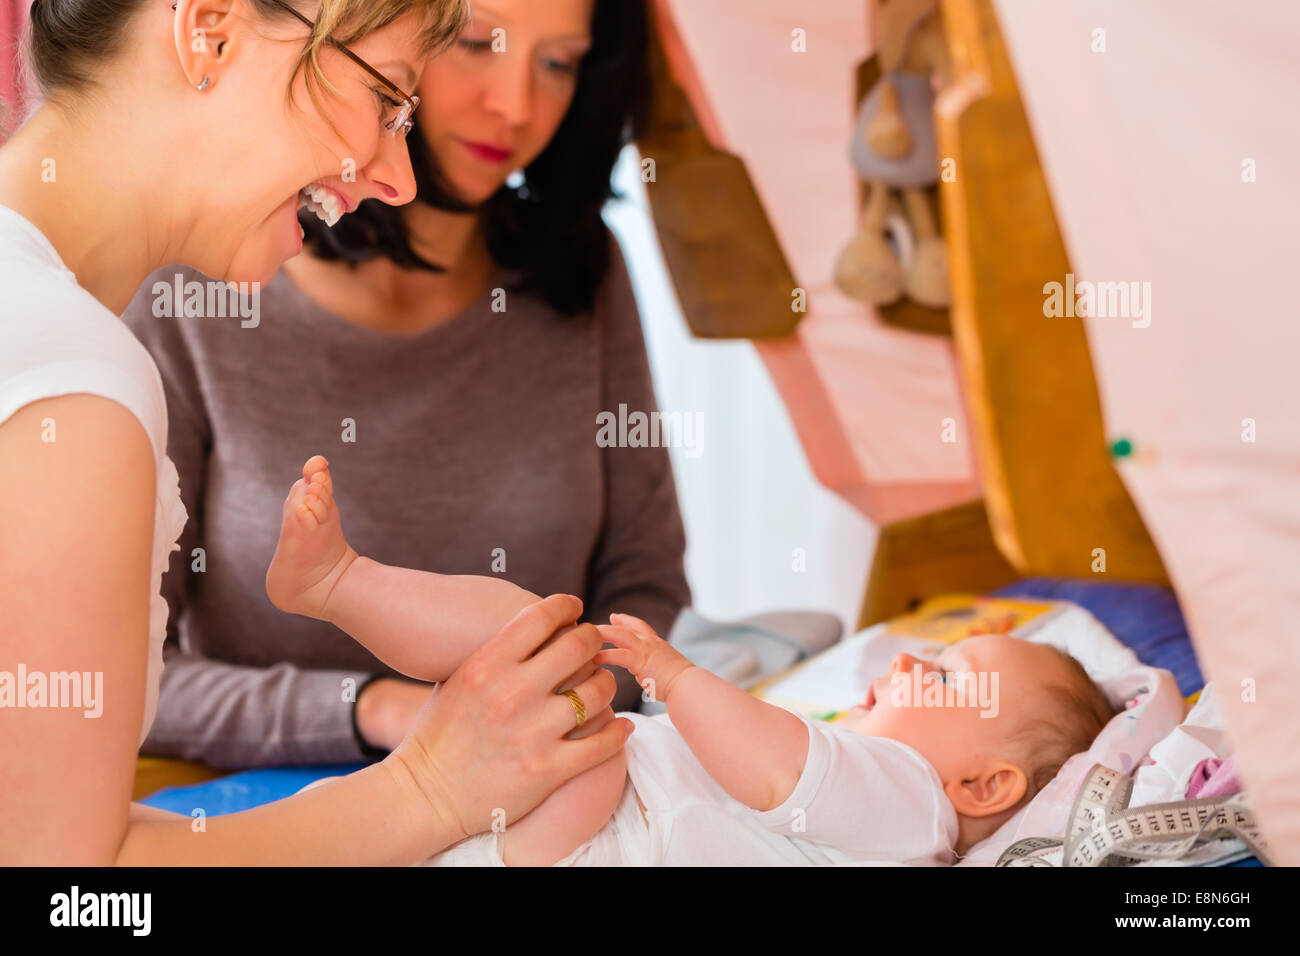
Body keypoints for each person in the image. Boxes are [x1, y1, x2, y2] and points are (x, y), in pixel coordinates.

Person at [0, 0, 628, 865]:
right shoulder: (73, 386)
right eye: (386, 99)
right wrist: (432, 787)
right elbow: (73, 897)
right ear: (209, 30)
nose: (399, 178)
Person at [121, 0, 689, 767]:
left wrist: (568, 705)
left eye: (558, 62)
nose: (516, 106)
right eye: (476, 42)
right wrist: (383, 713)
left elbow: (648, 594)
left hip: (547, 788)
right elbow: (114, 679)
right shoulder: (191, 289)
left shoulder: (584, 275)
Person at [263, 455, 1116, 865]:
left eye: (952, 678)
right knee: (535, 651)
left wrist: (675, 678)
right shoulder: (882, 793)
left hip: (599, 832)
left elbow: (779, 769)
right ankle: (339, 584)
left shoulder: (913, 804)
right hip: (565, 824)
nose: (915, 661)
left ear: (985, 787)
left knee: (540, 648)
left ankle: (342, 582)